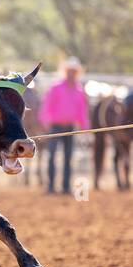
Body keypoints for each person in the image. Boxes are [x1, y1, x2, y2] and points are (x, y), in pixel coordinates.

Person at [38, 57, 89, 195]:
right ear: (66, 71)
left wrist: (85, 127)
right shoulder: (56, 87)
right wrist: (45, 122)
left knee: (68, 157)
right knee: (52, 155)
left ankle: (66, 187)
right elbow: (46, 106)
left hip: (70, 128)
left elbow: (81, 111)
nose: (72, 73)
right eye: (70, 71)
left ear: (77, 72)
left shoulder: (79, 90)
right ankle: (50, 187)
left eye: (74, 71)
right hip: (55, 126)